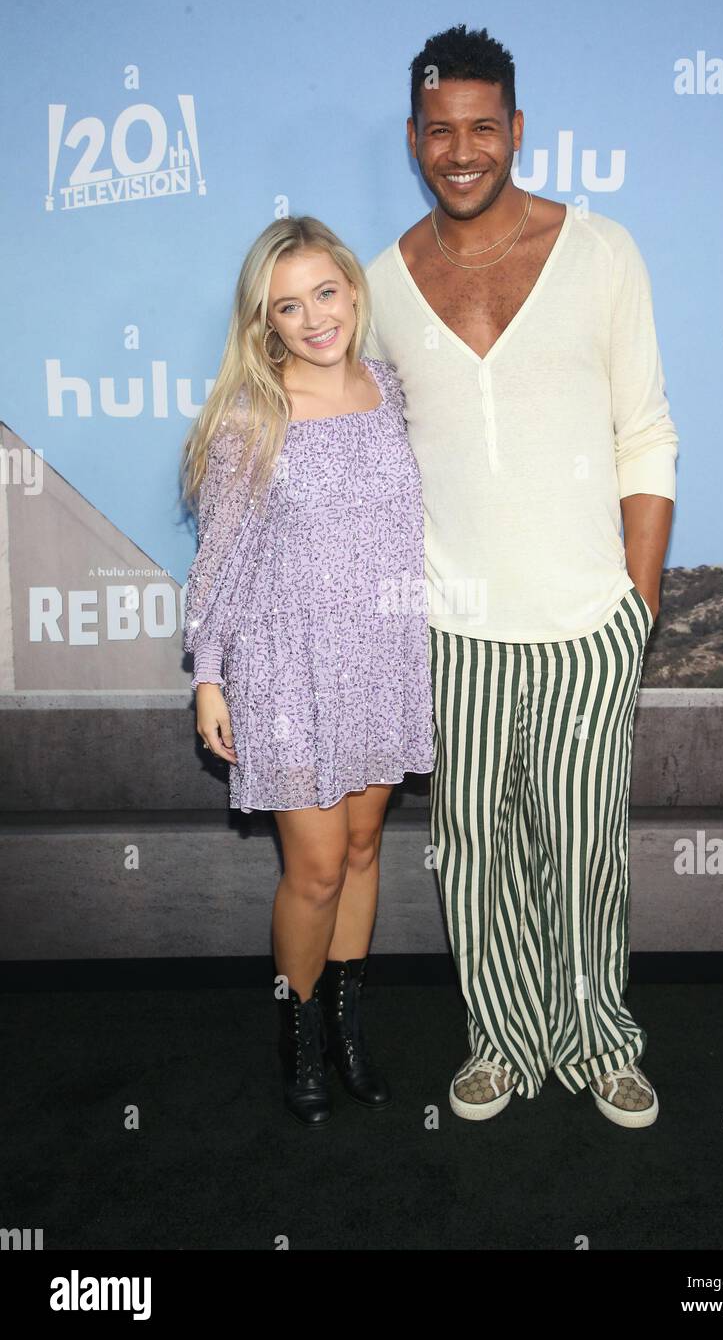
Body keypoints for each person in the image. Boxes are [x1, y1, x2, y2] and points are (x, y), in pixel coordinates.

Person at [362, 25, 678, 1126]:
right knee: (472, 859)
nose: (461, 151)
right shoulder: (376, 287)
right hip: (452, 632)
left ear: (516, 131)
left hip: (590, 621)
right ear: (412, 139)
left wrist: (636, 604)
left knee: (586, 851)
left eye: (481, 128)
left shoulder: (601, 252)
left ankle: (600, 1039)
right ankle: (501, 1038)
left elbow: (644, 433)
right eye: (439, 131)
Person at [179, 216, 434, 1128]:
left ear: (354, 293)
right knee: (317, 870)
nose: (314, 316)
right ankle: (295, 1034)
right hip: (287, 668)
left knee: (366, 850)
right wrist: (210, 673)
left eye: (325, 292)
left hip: (383, 658)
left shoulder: (393, 390)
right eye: (289, 306)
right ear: (267, 323)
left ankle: (347, 1029)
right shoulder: (255, 416)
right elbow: (221, 559)